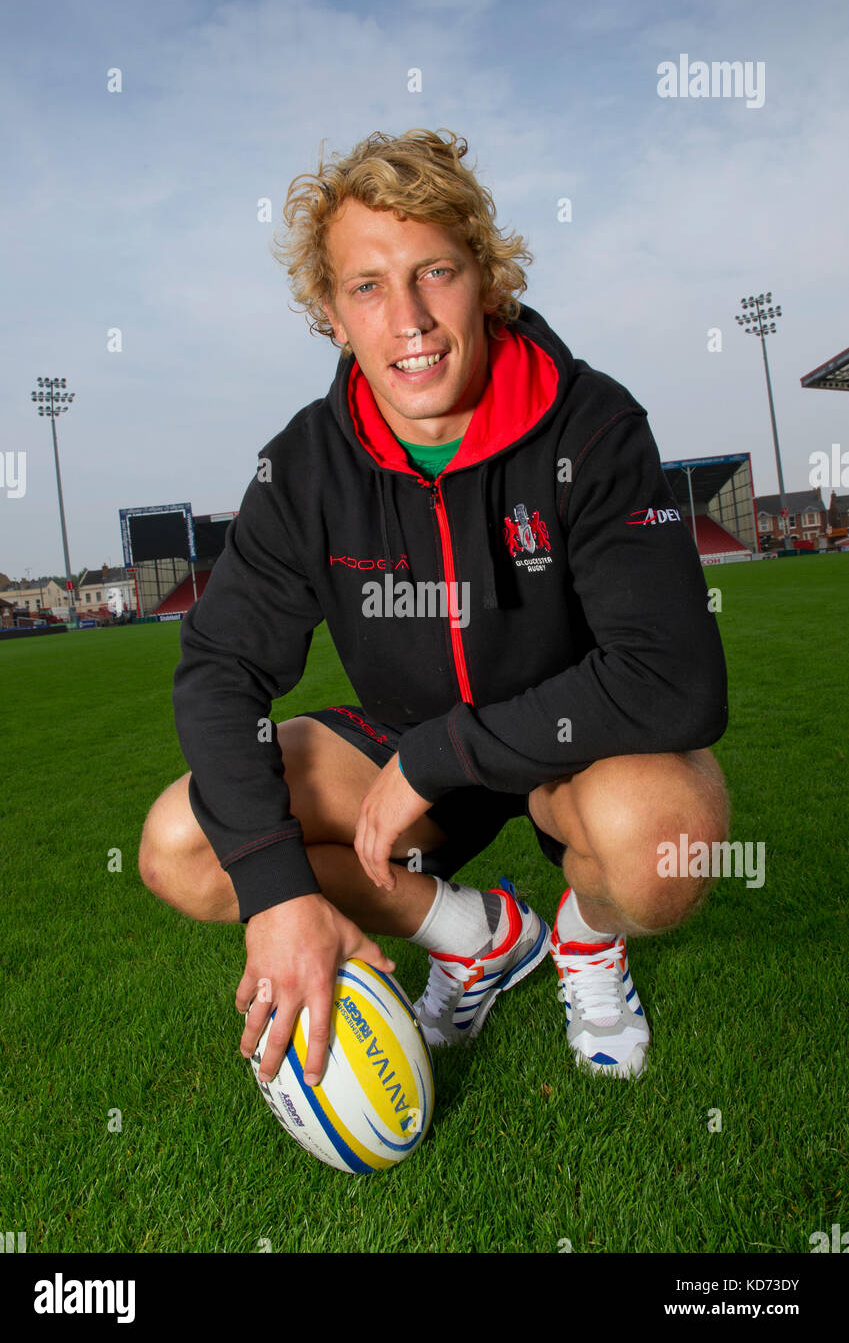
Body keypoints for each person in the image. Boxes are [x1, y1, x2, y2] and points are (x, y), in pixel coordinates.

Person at [139, 127, 729, 1093]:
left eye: (435, 272)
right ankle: (476, 936)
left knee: (662, 848)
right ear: (332, 315)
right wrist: (276, 892)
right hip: (402, 746)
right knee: (182, 849)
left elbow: (674, 678)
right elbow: (220, 667)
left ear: (486, 281)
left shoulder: (591, 421)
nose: (406, 316)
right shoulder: (303, 466)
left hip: (568, 739)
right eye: (366, 285)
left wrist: (443, 756)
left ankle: (584, 943)